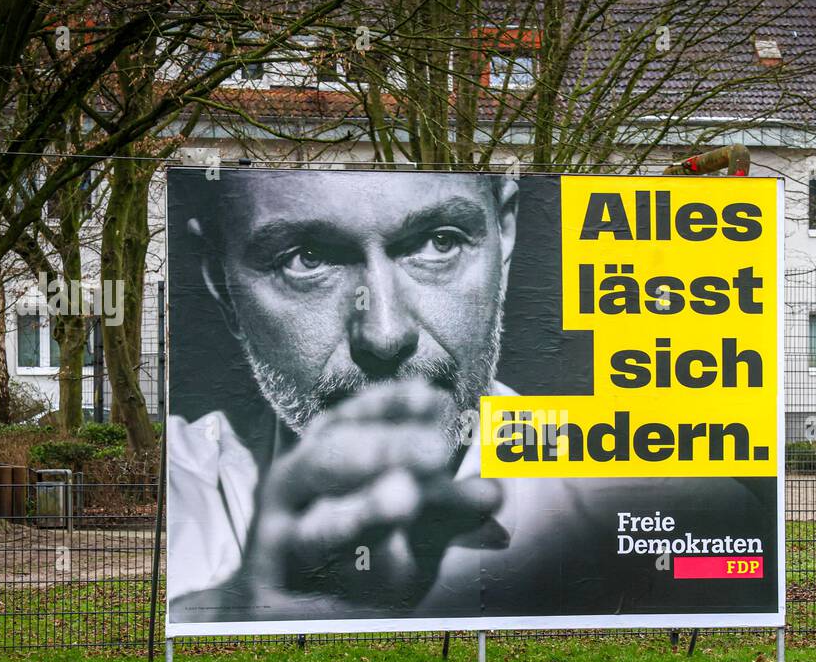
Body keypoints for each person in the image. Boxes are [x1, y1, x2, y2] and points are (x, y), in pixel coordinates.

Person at [167, 169, 589, 624]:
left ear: (504, 233)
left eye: (438, 243)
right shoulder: (179, 485)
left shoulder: (625, 492)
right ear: (218, 277)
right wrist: (232, 615)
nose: (384, 336)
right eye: (305, 260)